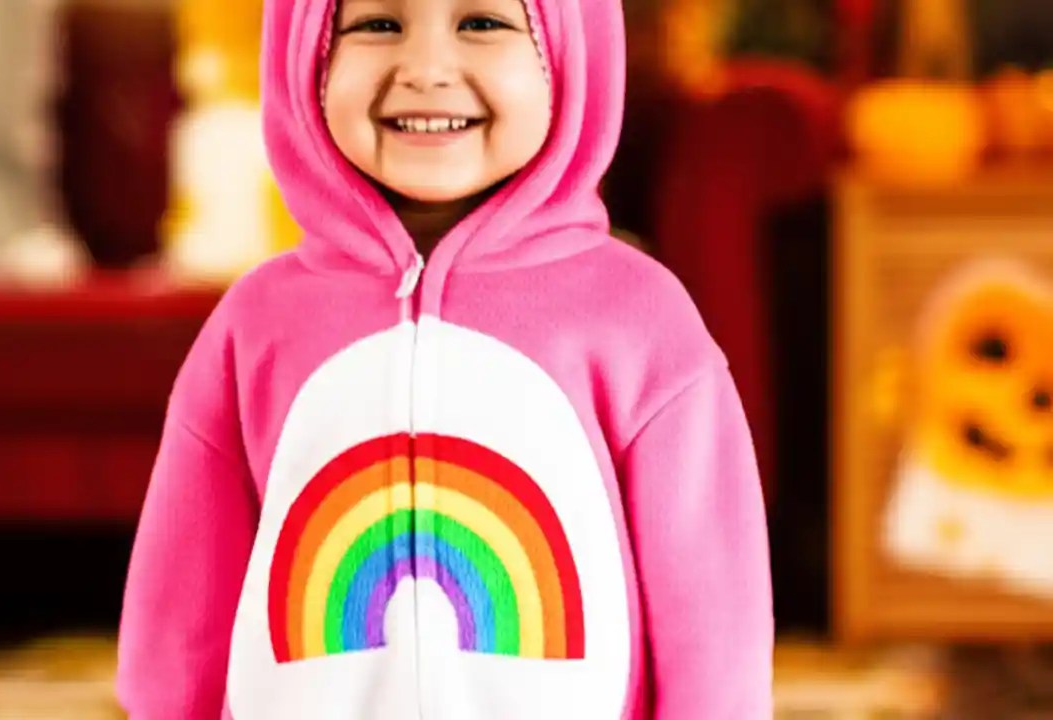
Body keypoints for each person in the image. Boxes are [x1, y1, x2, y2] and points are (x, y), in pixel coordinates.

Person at [116, 0, 774, 717]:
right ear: (305, 51)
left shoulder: (640, 320)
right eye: (376, 24)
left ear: (571, 51)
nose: (426, 69)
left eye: (483, 23)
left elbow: (712, 616)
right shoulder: (254, 323)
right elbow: (180, 605)